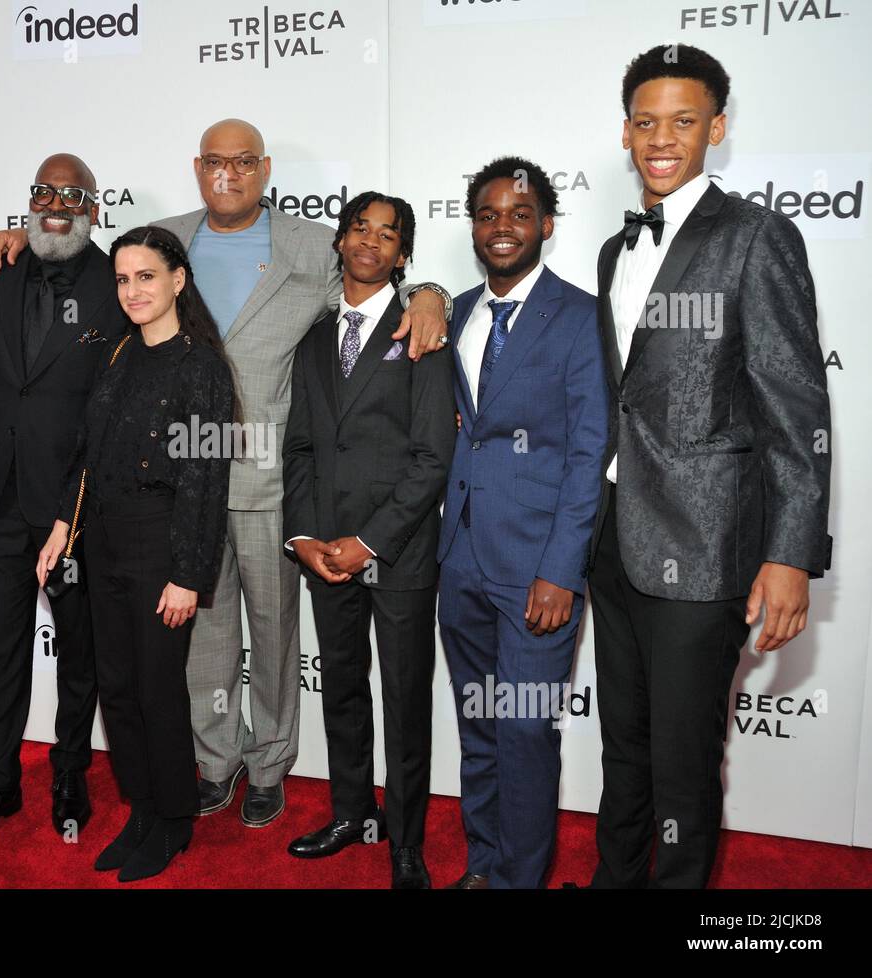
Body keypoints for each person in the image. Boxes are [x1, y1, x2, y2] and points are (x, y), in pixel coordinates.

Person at [0, 119, 452, 828]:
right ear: (196, 168)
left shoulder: (308, 244)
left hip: (268, 485)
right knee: (201, 640)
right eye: (212, 162)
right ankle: (215, 761)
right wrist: (13, 241)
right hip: (178, 489)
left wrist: (431, 292)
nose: (225, 174)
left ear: (263, 169)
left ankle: (269, 766)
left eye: (241, 162)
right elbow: (84, 260)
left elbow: (372, 286)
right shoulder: (166, 237)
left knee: (273, 636)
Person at [589, 45, 831, 889]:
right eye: (647, 122)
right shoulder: (614, 253)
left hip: (704, 547)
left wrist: (792, 553)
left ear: (717, 128)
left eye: (684, 121)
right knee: (624, 745)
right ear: (626, 132)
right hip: (614, 542)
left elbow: (797, 408)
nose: (663, 138)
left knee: (683, 764)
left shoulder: (759, 237)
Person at [0, 154, 129, 852]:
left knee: (81, 649)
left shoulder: (121, 282)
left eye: (71, 194)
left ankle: (71, 770)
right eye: (44, 191)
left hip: (75, 511)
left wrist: (79, 501)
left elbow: (116, 408)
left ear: (94, 208)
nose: (56, 203)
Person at [38, 225, 234, 882]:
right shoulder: (118, 352)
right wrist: (64, 524)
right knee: (116, 690)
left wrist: (188, 574)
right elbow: (88, 456)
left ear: (178, 279)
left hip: (164, 543)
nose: (132, 290)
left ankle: (175, 819)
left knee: (156, 691)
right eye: (122, 279)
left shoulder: (201, 364)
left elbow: (208, 478)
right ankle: (142, 809)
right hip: (106, 541)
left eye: (146, 276)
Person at [437, 158, 609, 889]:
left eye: (518, 213)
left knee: (525, 733)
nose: (501, 227)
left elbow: (589, 451)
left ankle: (520, 880)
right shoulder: (454, 313)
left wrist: (560, 571)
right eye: (487, 213)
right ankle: (485, 866)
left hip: (538, 568)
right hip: (460, 560)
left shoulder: (579, 316)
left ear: (546, 224)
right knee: (479, 729)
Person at [283, 192, 455, 889]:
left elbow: (432, 456)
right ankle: (351, 812)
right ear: (341, 239)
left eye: (388, 236)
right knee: (343, 692)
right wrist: (304, 537)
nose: (370, 243)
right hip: (325, 554)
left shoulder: (422, 328)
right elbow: (297, 449)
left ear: (403, 255)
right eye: (360, 228)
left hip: (399, 554)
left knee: (405, 702)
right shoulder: (314, 338)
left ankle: (406, 843)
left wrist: (370, 542)